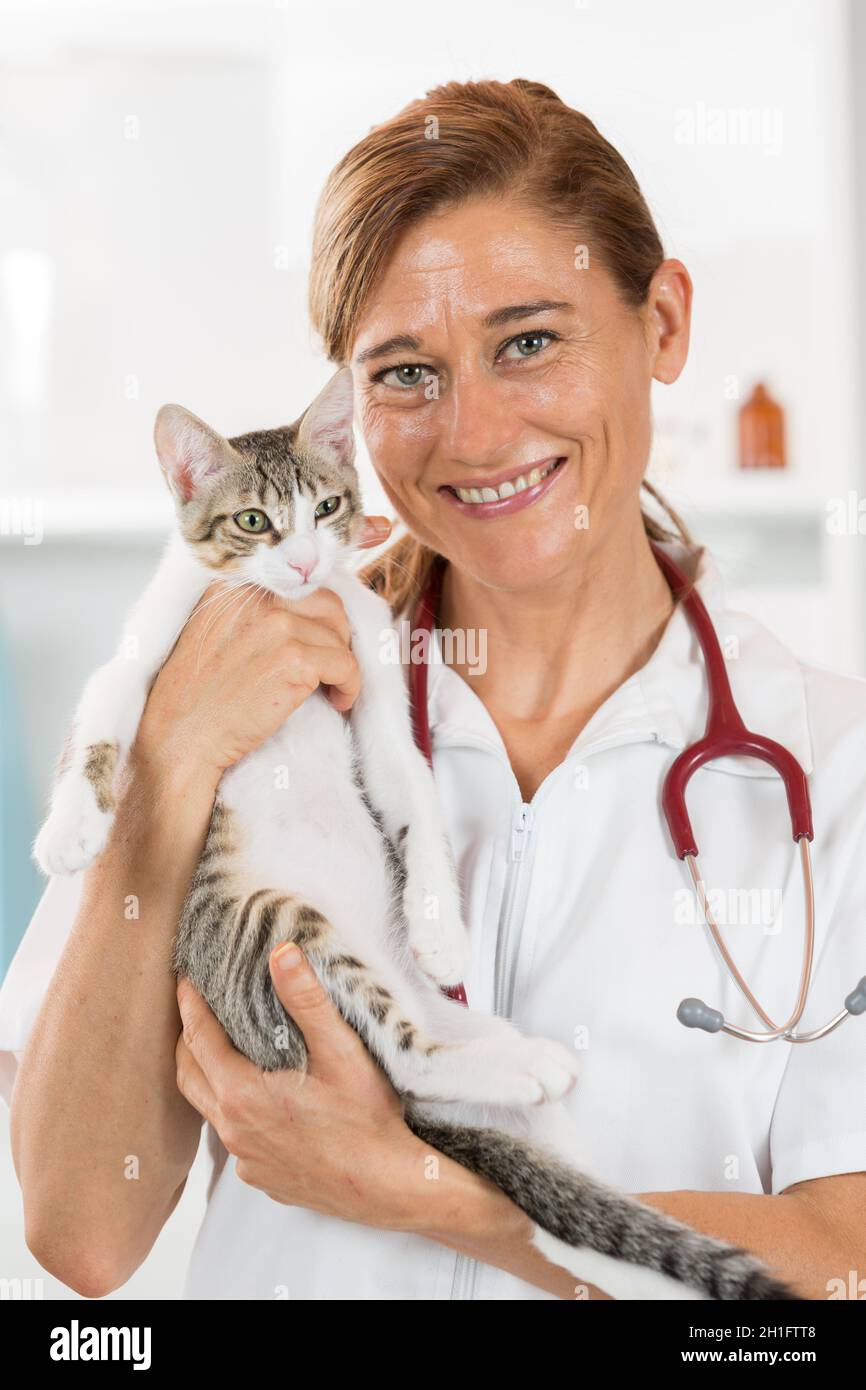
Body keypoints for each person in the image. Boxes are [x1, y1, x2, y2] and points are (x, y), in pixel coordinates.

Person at [3, 77, 866, 1302]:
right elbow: (82, 1233)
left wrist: (412, 1187)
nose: (470, 431)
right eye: (403, 373)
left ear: (662, 321)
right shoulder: (214, 690)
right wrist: (167, 774)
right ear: (345, 413)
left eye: (529, 340)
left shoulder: (832, 773)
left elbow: (840, 1274)